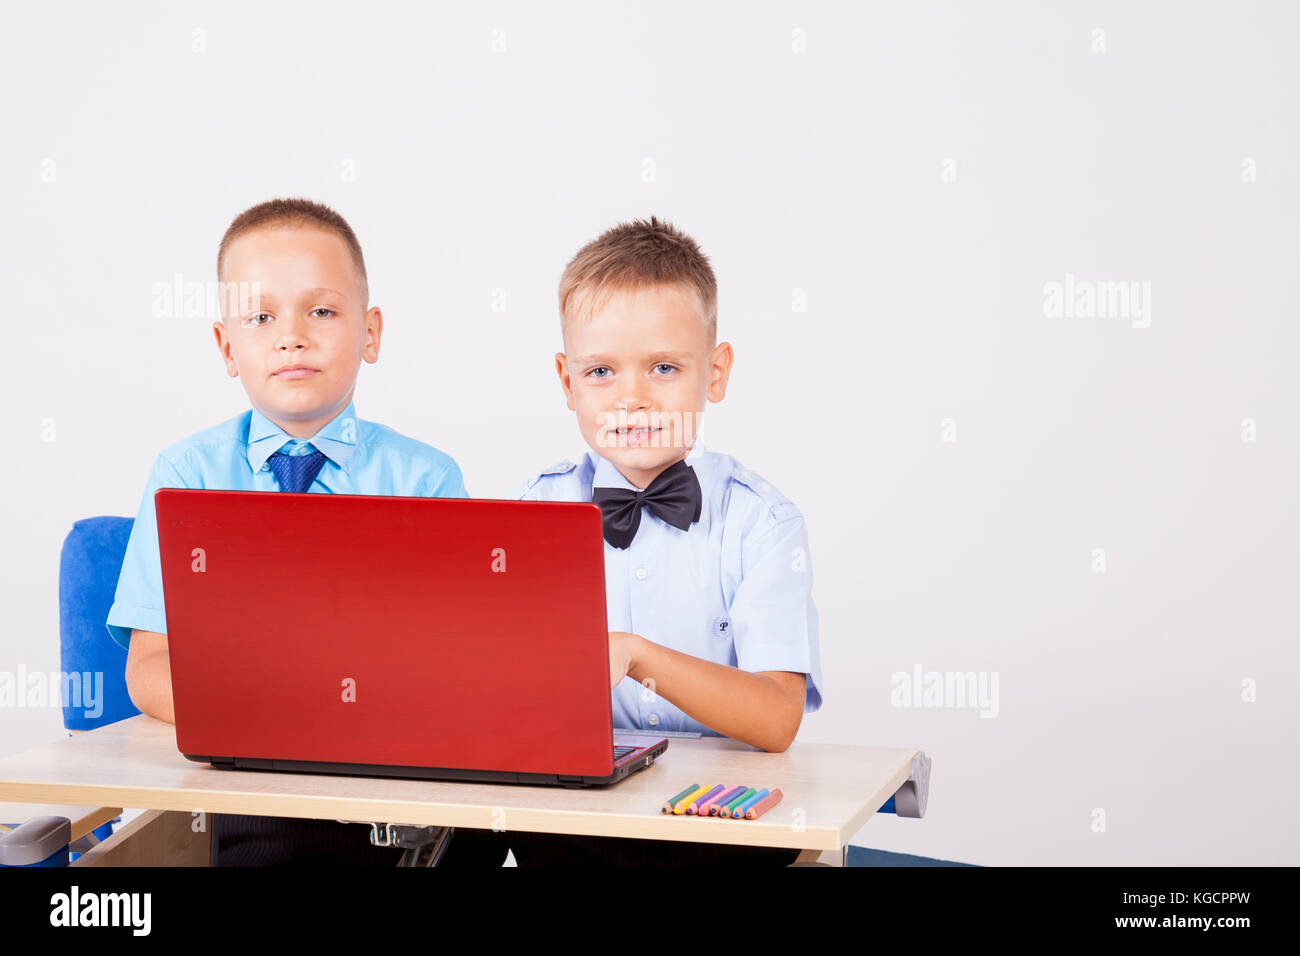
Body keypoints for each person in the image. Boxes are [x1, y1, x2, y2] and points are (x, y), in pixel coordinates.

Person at [106, 197, 505, 867]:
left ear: (371, 333)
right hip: (253, 796)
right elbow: (149, 667)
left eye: (321, 311)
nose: (292, 335)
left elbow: (462, 667)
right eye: (261, 317)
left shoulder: (426, 480)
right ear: (226, 346)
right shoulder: (186, 477)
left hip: (402, 792)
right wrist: (270, 714)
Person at [506, 216, 824, 865]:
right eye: (601, 372)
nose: (632, 399)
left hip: (721, 825)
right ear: (567, 382)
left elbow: (777, 721)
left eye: (663, 367)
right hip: (578, 816)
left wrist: (637, 655)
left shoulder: (763, 524)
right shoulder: (535, 511)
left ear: (715, 372)